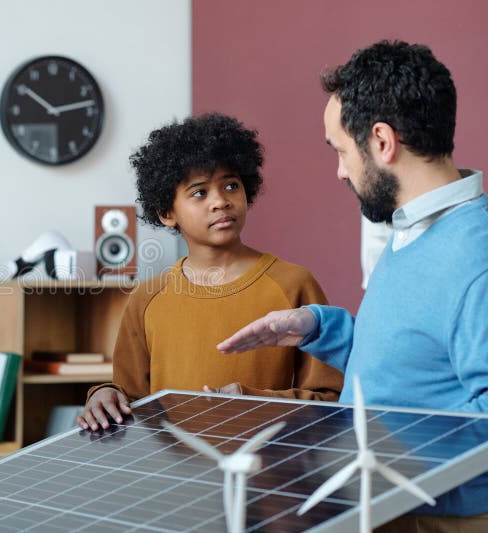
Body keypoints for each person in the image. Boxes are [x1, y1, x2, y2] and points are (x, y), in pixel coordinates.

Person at [217, 40, 488, 531]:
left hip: (438, 514)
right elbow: (416, 361)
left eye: (341, 151)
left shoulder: (476, 257)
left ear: (382, 142)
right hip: (388, 497)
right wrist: (318, 328)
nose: (340, 171)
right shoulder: (413, 229)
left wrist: (357, 456)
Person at [77, 113, 343, 432]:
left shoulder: (293, 284)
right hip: (174, 478)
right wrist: (105, 393)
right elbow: (131, 404)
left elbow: (331, 402)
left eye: (231, 185)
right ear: (167, 212)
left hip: (266, 475)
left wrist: (249, 402)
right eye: (200, 192)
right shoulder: (146, 299)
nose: (220, 201)